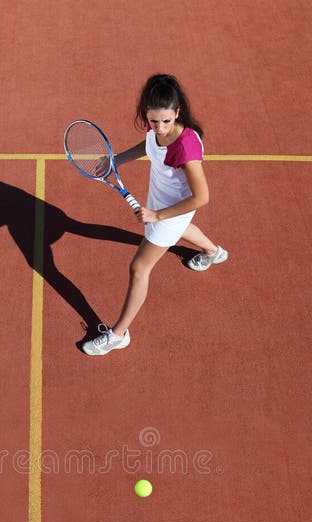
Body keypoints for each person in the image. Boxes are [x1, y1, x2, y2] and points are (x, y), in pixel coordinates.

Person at [82, 74, 228, 356]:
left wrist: (159, 216)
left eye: (166, 121)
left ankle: (118, 335)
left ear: (177, 112)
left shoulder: (185, 148)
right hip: (163, 203)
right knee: (183, 229)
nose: (159, 128)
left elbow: (201, 197)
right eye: (153, 121)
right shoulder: (157, 131)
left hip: (173, 209)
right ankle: (213, 252)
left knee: (139, 268)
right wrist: (116, 160)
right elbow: (149, 144)